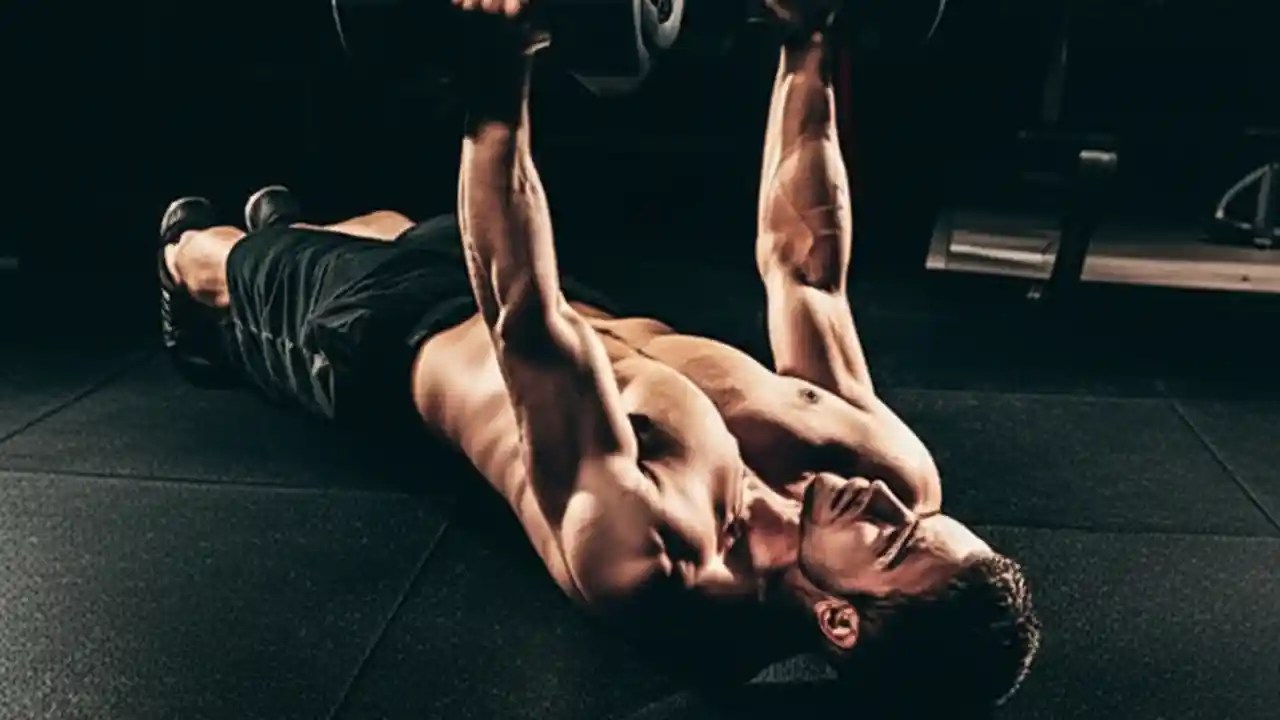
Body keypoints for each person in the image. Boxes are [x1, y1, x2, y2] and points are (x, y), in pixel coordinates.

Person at [155, 0, 1040, 709]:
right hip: (551, 286)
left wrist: (500, 75)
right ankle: (304, 232)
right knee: (382, 227)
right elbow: (807, 274)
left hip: (397, 336)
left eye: (893, 539)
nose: (891, 501)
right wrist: (805, 43)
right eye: (919, 519)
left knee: (213, 254)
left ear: (840, 622)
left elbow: (523, 324)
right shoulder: (879, 472)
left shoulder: (652, 560)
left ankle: (201, 294)